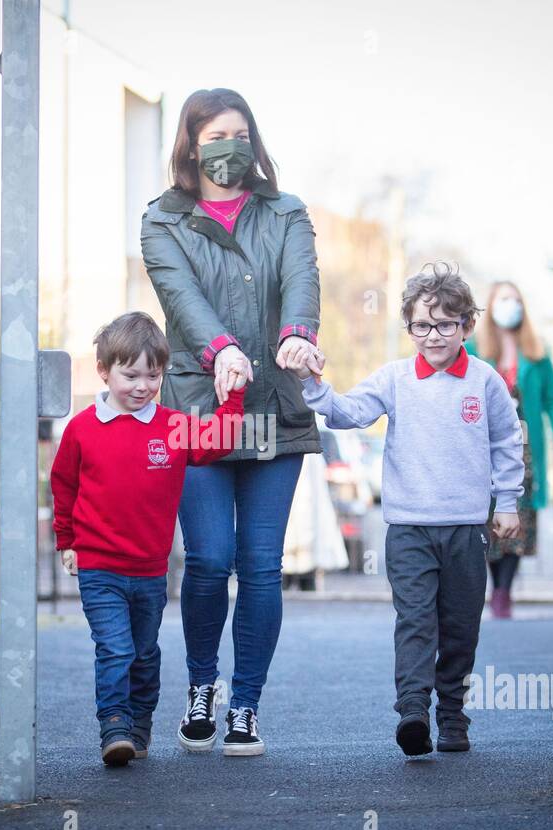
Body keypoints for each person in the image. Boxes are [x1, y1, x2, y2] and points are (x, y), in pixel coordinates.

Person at [140, 88, 323, 757]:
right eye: (218, 134)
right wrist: (221, 354)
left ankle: (245, 704)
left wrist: (298, 336)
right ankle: (201, 688)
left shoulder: (286, 210)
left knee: (261, 565)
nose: (232, 146)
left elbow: (302, 280)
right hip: (201, 406)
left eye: (242, 133)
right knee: (210, 560)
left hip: (275, 407)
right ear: (191, 143)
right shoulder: (164, 220)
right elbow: (180, 298)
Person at [292, 263, 525, 756]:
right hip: (409, 531)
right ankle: (413, 711)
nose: (434, 335)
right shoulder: (395, 378)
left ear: (466, 325)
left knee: (461, 627)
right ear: (409, 327)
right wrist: (315, 384)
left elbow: (507, 442)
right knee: (416, 620)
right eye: (422, 325)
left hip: (465, 529)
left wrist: (507, 502)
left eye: (445, 324)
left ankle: (453, 714)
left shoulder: (484, 382)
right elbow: (349, 412)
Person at [50, 312, 246, 766]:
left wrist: (233, 396)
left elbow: (218, 441)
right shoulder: (81, 429)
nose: (141, 385)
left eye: (152, 376)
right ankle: (113, 725)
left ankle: (139, 723)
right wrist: (67, 541)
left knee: (143, 652)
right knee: (114, 647)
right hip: (99, 568)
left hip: (151, 571)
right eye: (130, 374)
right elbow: (64, 485)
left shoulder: (172, 426)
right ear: (104, 370)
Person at [466, 281, 553, 618]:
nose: (509, 305)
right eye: (503, 299)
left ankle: (502, 593)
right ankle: (486, 588)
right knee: (483, 515)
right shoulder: (471, 349)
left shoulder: (537, 353)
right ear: (491, 305)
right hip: (482, 449)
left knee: (518, 518)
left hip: (525, 449)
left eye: (515, 299)